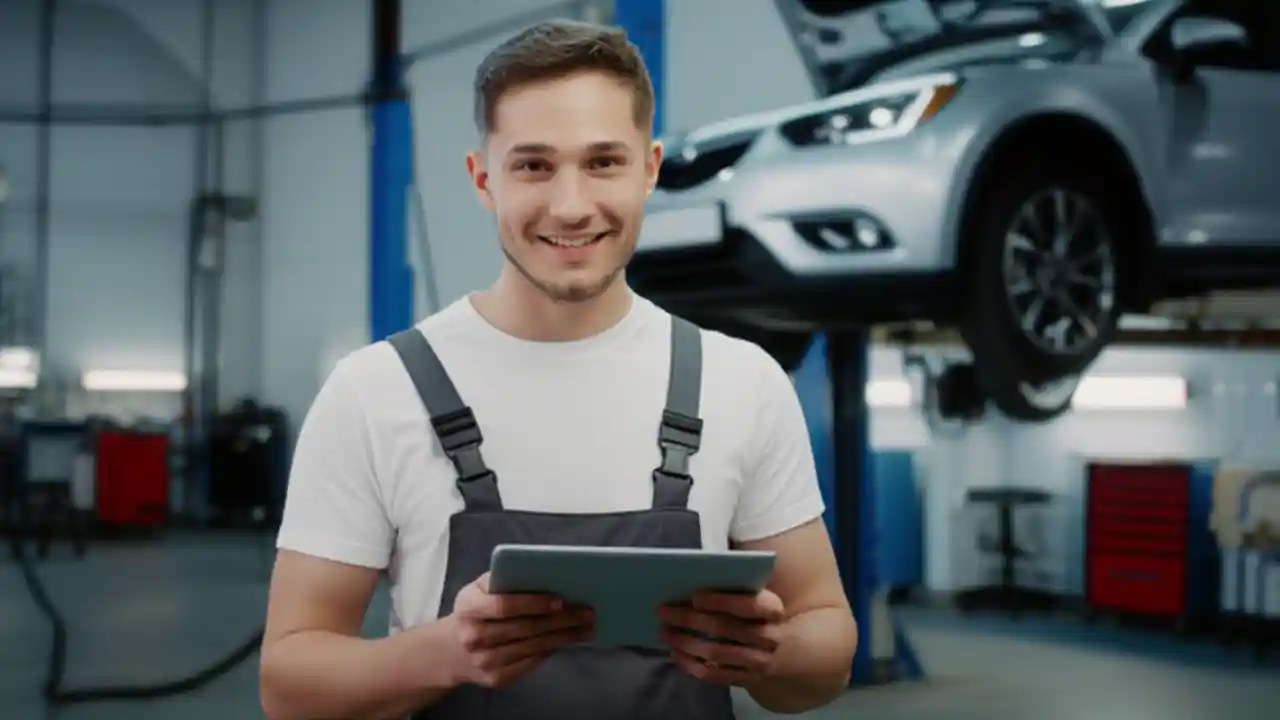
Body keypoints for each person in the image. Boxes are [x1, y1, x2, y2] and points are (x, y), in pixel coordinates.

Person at [258, 18, 857, 720]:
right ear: (483, 179)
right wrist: (445, 652)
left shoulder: (742, 383)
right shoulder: (375, 391)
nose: (571, 207)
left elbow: (827, 644)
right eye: (533, 166)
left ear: (650, 169)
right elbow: (288, 687)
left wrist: (770, 651)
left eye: (603, 162)